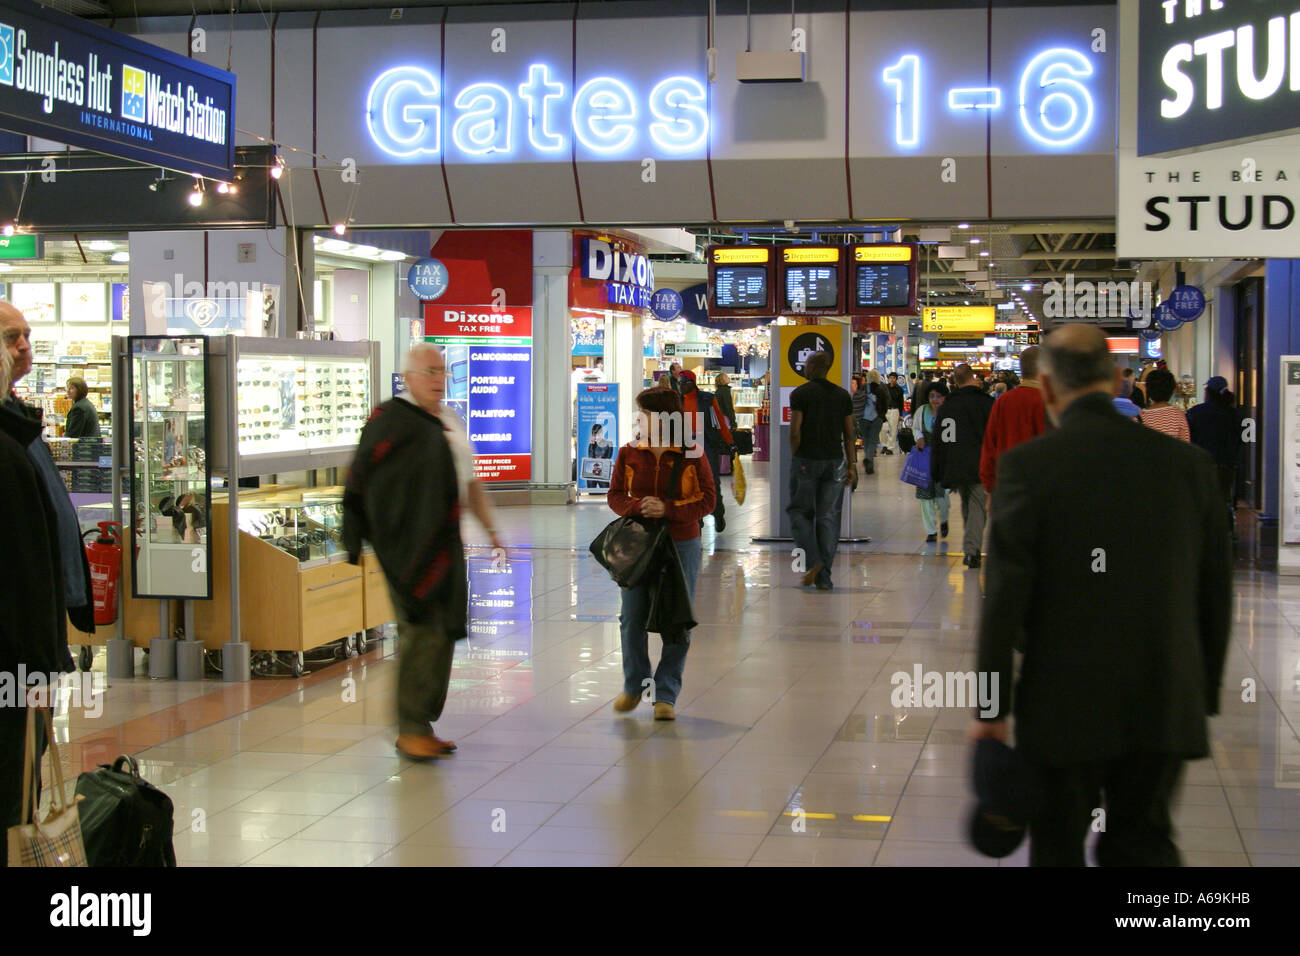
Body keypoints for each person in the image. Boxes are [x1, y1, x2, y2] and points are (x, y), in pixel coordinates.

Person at [972, 324, 1232, 867]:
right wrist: (1200, 692)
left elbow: (1004, 599)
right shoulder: (1191, 467)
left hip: (1063, 700)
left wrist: (991, 709)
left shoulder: (1030, 467)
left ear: (1046, 387)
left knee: (1058, 844)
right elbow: (1215, 592)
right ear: (1116, 381)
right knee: (1144, 844)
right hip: (1165, 698)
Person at [343, 344, 473, 760]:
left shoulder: (437, 422)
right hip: (404, 550)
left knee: (442, 632)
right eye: (430, 372)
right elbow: (363, 477)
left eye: (442, 373)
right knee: (422, 632)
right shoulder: (391, 421)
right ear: (409, 377)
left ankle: (423, 723)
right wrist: (368, 531)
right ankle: (410, 727)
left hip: (440, 544)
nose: (438, 380)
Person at [0, 347, 72, 856]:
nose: (20, 348)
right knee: (11, 797)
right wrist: (39, 669)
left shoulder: (19, 441)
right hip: (10, 663)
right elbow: (25, 572)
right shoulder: (9, 454)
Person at [607, 387, 715, 720]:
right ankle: (634, 684)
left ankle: (665, 694)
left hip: (681, 543)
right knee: (632, 617)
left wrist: (667, 509)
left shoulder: (691, 452)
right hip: (638, 545)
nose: (639, 418)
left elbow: (707, 500)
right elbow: (614, 496)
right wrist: (639, 506)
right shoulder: (629, 452)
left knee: (676, 619)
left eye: (645, 413)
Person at [1, 303, 95, 638]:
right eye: (12, 338)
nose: (24, 346)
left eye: (26, 335)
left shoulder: (19, 419)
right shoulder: (10, 426)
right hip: (18, 608)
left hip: (40, 599)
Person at [788, 351, 856, 589]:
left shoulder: (800, 394)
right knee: (828, 518)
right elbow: (849, 433)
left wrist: (796, 455)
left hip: (807, 459)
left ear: (813, 367)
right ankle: (824, 577)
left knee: (799, 511)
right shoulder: (842, 395)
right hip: (835, 460)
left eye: (807, 363)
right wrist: (852, 464)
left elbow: (795, 430)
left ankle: (814, 561)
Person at [932, 364, 994, 569]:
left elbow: (939, 440)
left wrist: (937, 469)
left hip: (955, 464)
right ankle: (972, 551)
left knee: (968, 504)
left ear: (955, 382)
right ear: (974, 378)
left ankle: (971, 546)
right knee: (977, 506)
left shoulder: (948, 406)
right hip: (979, 463)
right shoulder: (986, 404)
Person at [980, 345, 1048, 496]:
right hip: (1039, 490)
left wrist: (990, 487)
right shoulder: (1048, 401)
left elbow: (990, 445)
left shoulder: (1003, 401)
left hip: (1006, 487)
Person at [678, 369, 734, 532]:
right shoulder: (677, 401)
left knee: (711, 481)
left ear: (693, 383)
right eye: (680, 383)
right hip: (686, 443)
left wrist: (729, 441)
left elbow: (720, 423)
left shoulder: (707, 399)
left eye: (685, 383)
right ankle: (697, 517)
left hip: (706, 442)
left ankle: (717, 513)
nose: (681, 386)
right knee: (689, 482)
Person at [1187, 375, 1243, 536]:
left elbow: (1189, 438)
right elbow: (1240, 440)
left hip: (1202, 464)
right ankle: (1225, 532)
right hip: (1226, 466)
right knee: (1223, 500)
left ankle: (1203, 533)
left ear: (1208, 392)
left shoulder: (1196, 412)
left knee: (1201, 500)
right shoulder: (1233, 414)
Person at [912, 381, 950, 543]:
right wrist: (919, 438)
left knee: (942, 495)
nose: (934, 400)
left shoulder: (949, 414)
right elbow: (916, 428)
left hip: (944, 459)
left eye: (938, 397)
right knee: (925, 496)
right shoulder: (921, 411)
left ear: (944, 398)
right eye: (931, 396)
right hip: (925, 457)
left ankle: (943, 520)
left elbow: (952, 438)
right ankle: (931, 530)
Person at [1137, 368, 1190, 442]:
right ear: (1171, 390)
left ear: (1148, 389)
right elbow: (1186, 446)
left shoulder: (1140, 416)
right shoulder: (1179, 416)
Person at [859, 370, 889, 474]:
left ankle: (868, 458)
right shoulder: (881, 388)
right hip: (876, 418)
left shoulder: (862, 387)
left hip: (863, 418)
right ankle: (869, 461)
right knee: (873, 440)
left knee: (866, 440)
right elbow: (886, 403)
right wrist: (882, 415)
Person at [882, 372, 905, 454]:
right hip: (885, 410)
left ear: (896, 379)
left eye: (894, 378)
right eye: (891, 378)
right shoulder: (884, 388)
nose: (892, 379)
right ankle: (884, 445)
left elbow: (901, 403)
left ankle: (890, 448)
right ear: (888, 379)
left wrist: (900, 414)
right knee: (883, 429)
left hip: (895, 411)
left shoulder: (899, 390)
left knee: (893, 430)